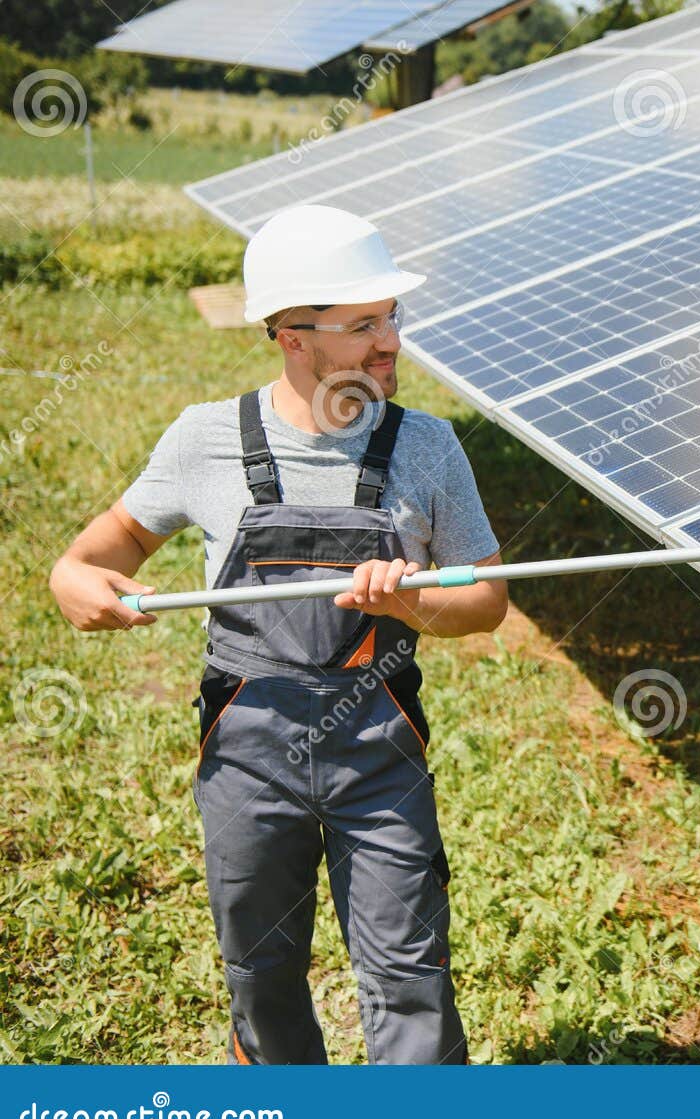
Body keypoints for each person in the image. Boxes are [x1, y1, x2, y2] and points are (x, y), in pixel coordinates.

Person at [48, 204, 508, 1064]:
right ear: (293, 335)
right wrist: (70, 579)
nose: (391, 343)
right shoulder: (206, 441)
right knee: (260, 973)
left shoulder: (429, 448)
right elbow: (94, 552)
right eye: (364, 324)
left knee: (410, 975)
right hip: (247, 754)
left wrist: (409, 603)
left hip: (380, 751)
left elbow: (485, 602)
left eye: (392, 317)